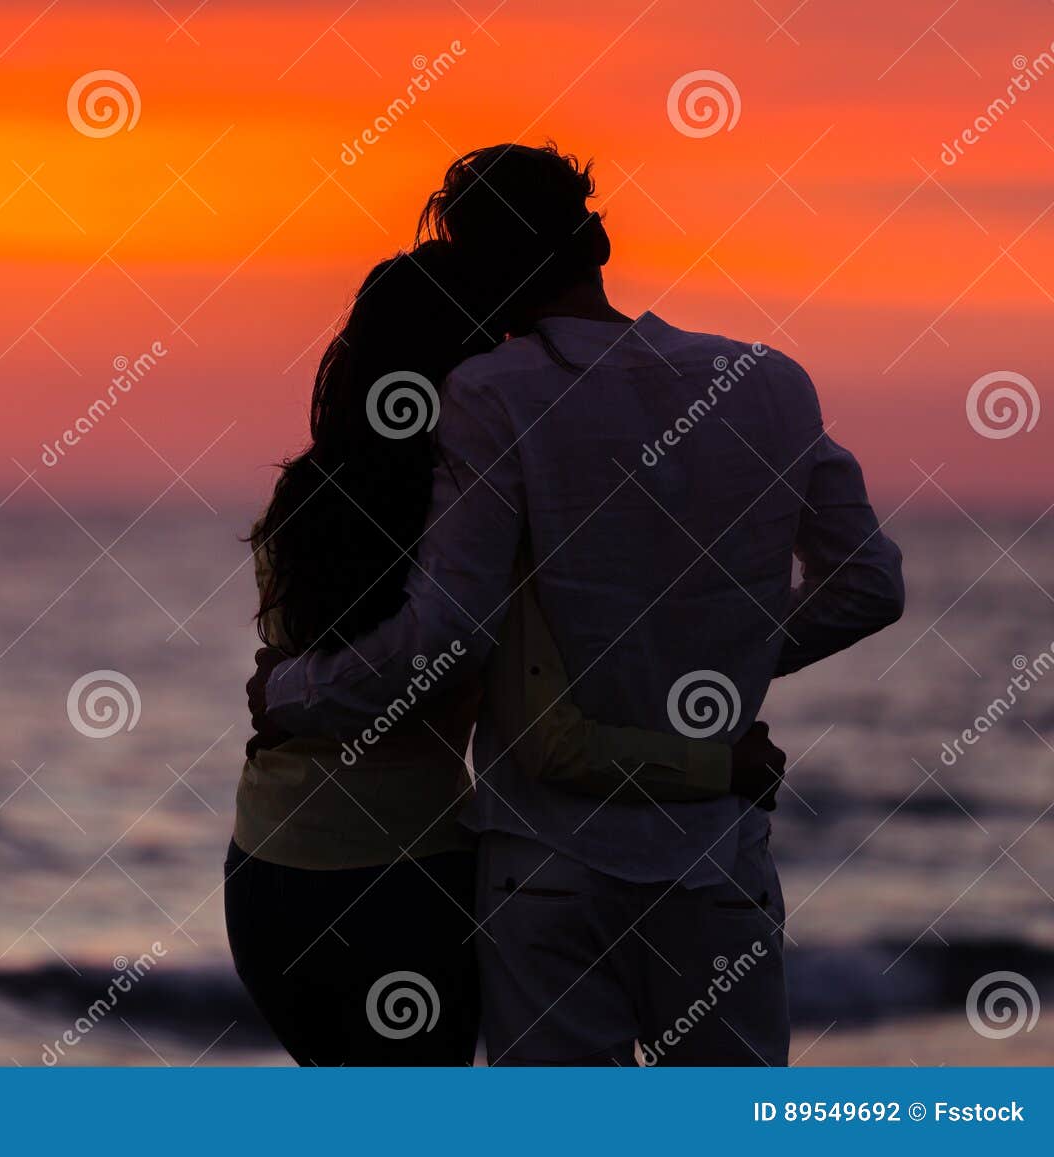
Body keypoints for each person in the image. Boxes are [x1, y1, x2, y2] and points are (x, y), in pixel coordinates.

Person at [256, 143, 905, 1066]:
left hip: (546, 867)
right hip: (715, 861)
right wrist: (733, 651)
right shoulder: (768, 382)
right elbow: (868, 585)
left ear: (483, 279)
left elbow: (449, 631)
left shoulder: (493, 393)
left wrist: (290, 691)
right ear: (597, 244)